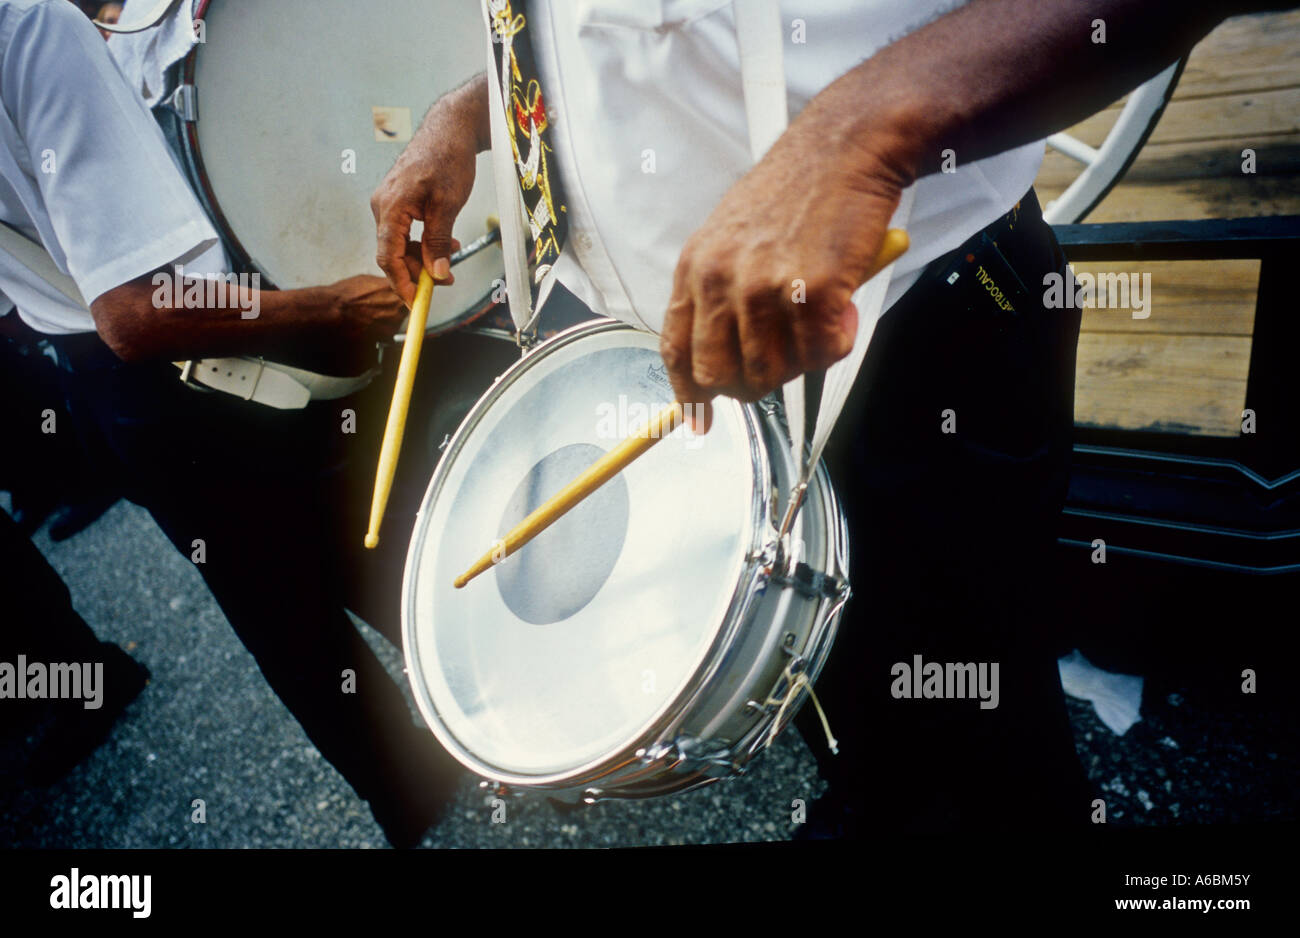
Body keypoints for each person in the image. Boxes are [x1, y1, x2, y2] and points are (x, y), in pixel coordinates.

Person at [373, 0, 1291, 835]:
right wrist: (473, 106)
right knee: (822, 666)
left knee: (975, 722)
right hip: (678, 364)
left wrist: (859, 140)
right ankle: (879, 792)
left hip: (910, 331)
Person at [0, 0, 460, 846]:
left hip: (121, 404)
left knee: (290, 624)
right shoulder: (25, 24)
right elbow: (137, 314)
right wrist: (323, 304)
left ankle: (417, 789)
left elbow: (21, 318)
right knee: (396, 546)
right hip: (214, 361)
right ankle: (517, 707)